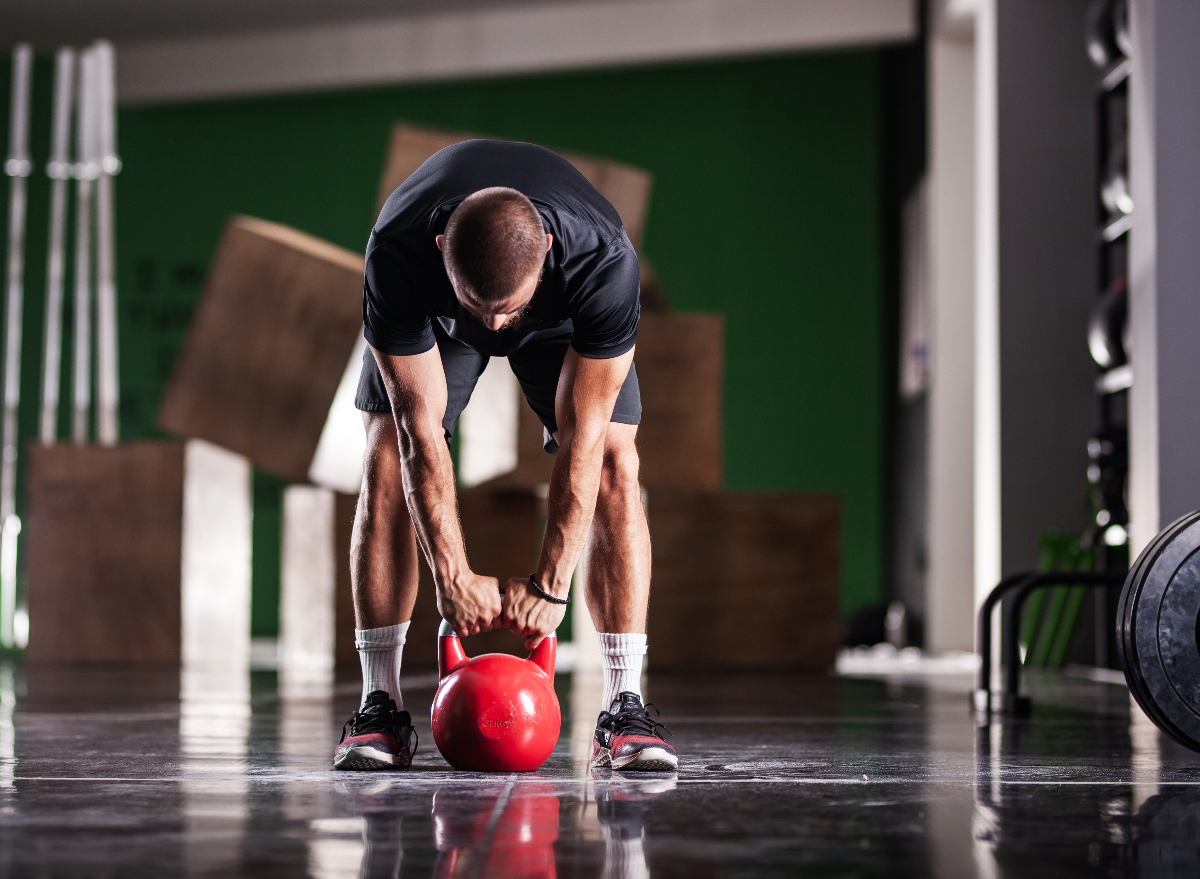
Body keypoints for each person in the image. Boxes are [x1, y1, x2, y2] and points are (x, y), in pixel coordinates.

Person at [332, 139, 676, 773]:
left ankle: (626, 705)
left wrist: (551, 586)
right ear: (442, 252)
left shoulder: (603, 261)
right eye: (482, 310)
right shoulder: (399, 253)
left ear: (545, 248)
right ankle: (378, 704)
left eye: (507, 311)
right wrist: (452, 578)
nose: (495, 330)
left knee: (615, 465)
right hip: (438, 316)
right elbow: (419, 432)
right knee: (383, 454)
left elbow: (585, 439)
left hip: (561, 315)